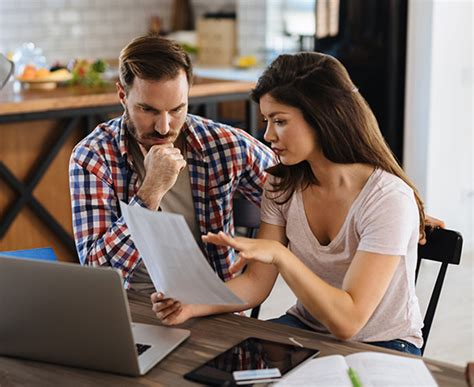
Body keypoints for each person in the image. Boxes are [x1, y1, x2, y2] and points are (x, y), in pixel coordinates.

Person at [151, 52, 437, 356]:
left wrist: (279, 255)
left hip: (384, 345)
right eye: (266, 120)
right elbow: (256, 285)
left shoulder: (387, 198)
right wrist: (190, 303)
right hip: (305, 329)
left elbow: (348, 322)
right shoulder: (281, 184)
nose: (267, 134)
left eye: (280, 121)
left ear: (322, 116)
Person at [69, 35, 276, 291]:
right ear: (122, 94)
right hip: (129, 305)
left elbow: (296, 197)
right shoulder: (93, 156)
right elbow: (96, 275)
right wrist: (150, 192)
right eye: (148, 110)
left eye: (177, 109)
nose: (164, 127)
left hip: (212, 305)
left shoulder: (225, 145)